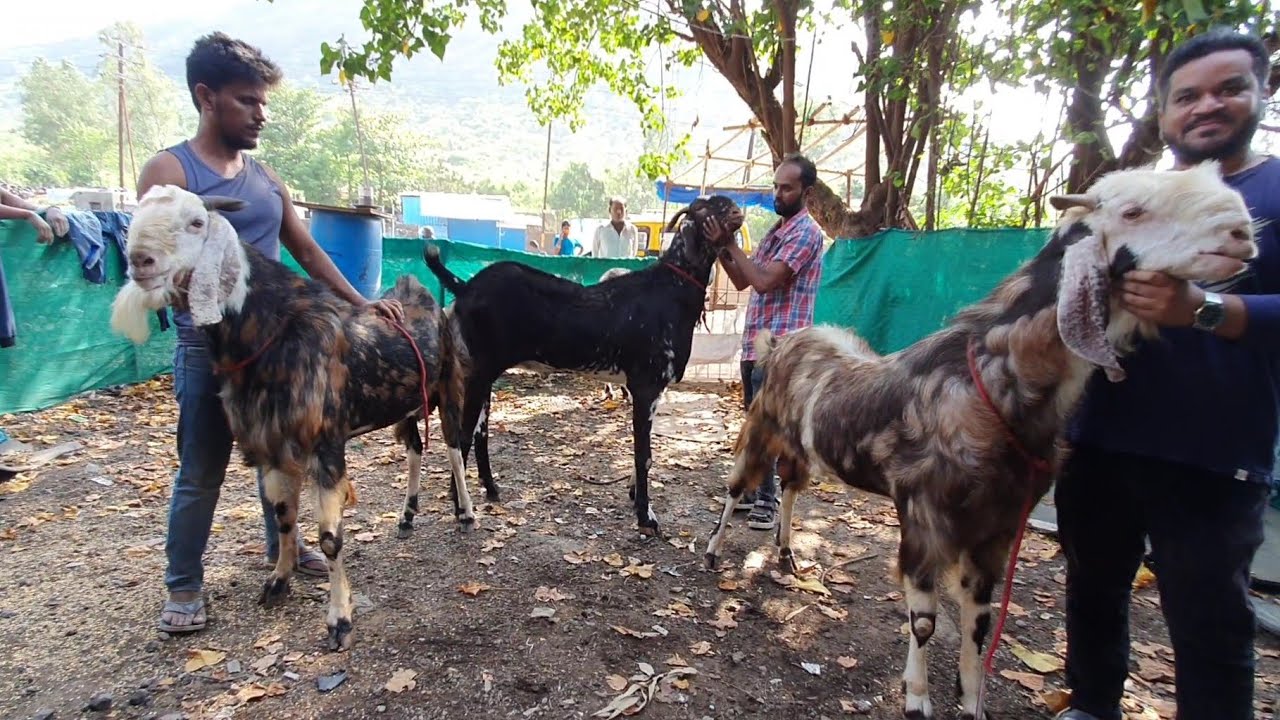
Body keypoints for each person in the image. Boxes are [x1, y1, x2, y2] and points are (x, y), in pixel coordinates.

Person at [135, 32, 404, 635]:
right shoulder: (170, 172)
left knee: (282, 453)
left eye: (263, 102)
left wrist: (364, 304)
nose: (261, 113)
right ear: (206, 97)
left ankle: (282, 550)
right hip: (212, 349)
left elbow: (306, 250)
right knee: (202, 466)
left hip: (280, 348)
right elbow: (155, 255)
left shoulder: (264, 178)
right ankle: (183, 585)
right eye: (247, 101)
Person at [1054, 28, 1280, 720]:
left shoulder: (1272, 188)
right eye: (1187, 96)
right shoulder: (1132, 193)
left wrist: (1208, 310)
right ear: (1164, 112)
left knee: (1209, 622)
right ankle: (1091, 705)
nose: (1206, 106)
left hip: (1211, 458)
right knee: (1092, 591)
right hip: (1100, 439)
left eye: (1229, 88)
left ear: (1263, 93)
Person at [708, 153, 825, 530]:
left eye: (786, 187)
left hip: (781, 352)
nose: (778, 193)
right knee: (756, 424)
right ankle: (757, 493)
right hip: (754, 346)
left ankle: (768, 503)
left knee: (772, 427)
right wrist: (721, 248)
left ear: (806, 192)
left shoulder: (806, 233)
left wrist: (731, 243)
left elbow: (764, 280)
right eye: (775, 186)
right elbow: (742, 279)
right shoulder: (776, 232)